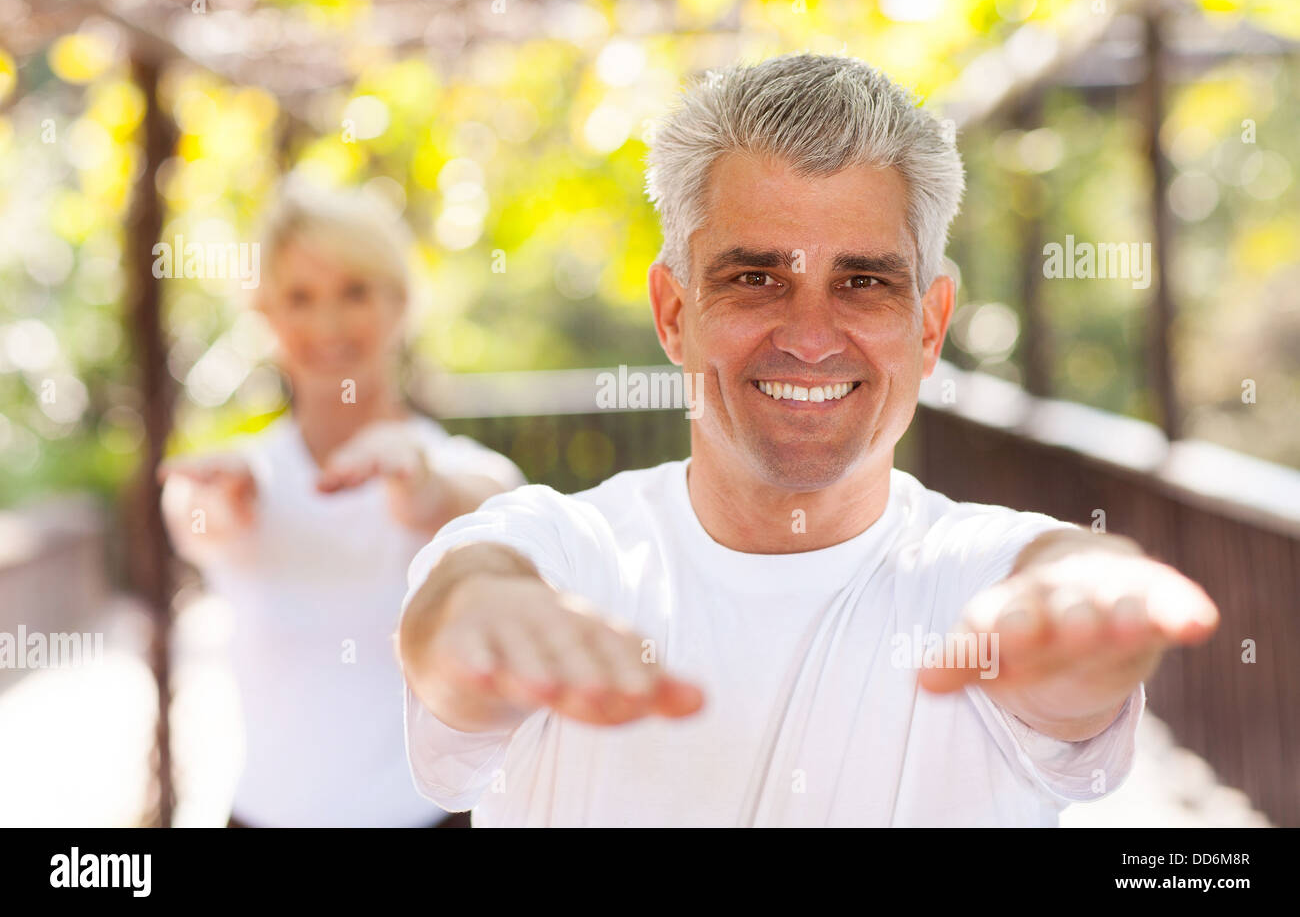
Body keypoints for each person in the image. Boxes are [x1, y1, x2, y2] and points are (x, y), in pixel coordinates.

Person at [394, 54, 1220, 827]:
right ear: (674, 314)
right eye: (757, 278)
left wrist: (1085, 604)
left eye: (862, 282)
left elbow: (1052, 590)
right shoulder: (563, 553)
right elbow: (465, 597)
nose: (812, 337)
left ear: (929, 327)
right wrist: (478, 621)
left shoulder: (980, 576)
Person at [159, 182, 526, 827]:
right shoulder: (236, 476)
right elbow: (196, 517)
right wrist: (220, 507)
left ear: (400, 303)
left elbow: (487, 510)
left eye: (355, 291)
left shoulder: (467, 470)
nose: (327, 324)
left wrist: (420, 486)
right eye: (300, 298)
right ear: (266, 316)